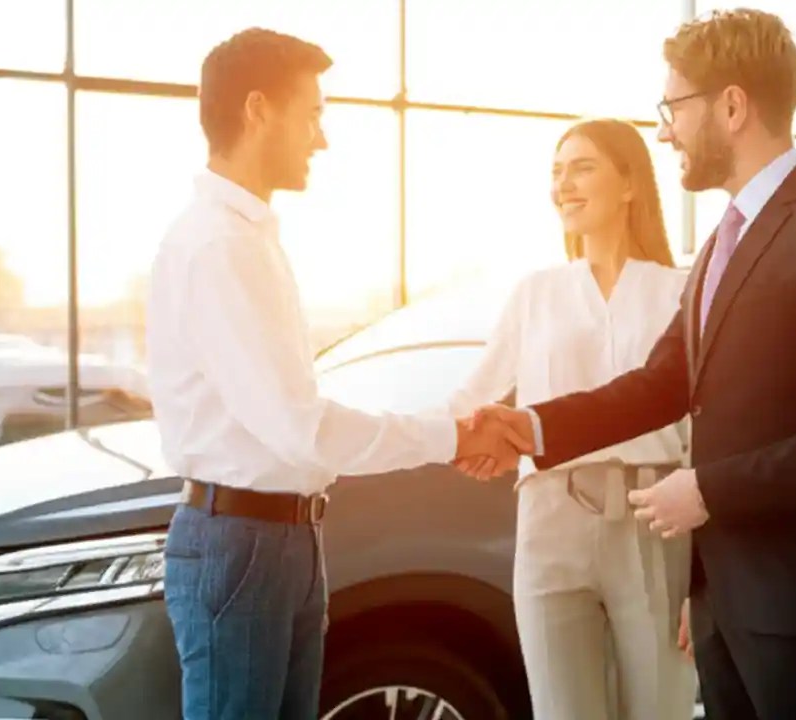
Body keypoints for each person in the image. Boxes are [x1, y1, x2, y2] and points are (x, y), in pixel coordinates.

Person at [465, 9, 796, 719]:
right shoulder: (719, 245)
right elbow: (662, 385)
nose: (665, 129)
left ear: (732, 106)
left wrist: (708, 488)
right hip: (720, 600)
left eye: (674, 106)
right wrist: (530, 427)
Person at [145, 28, 523, 720]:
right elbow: (301, 428)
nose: (321, 139)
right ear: (259, 110)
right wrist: (453, 435)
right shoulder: (219, 246)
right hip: (244, 544)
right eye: (313, 114)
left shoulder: (248, 239)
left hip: (283, 538)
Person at [449, 118, 697, 720]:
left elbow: (712, 426)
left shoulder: (682, 290)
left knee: (661, 711)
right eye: (556, 172)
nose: (564, 184)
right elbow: (471, 402)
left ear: (630, 183)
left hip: (657, 517)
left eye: (582, 167)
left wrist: (704, 579)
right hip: (550, 519)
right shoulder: (535, 292)